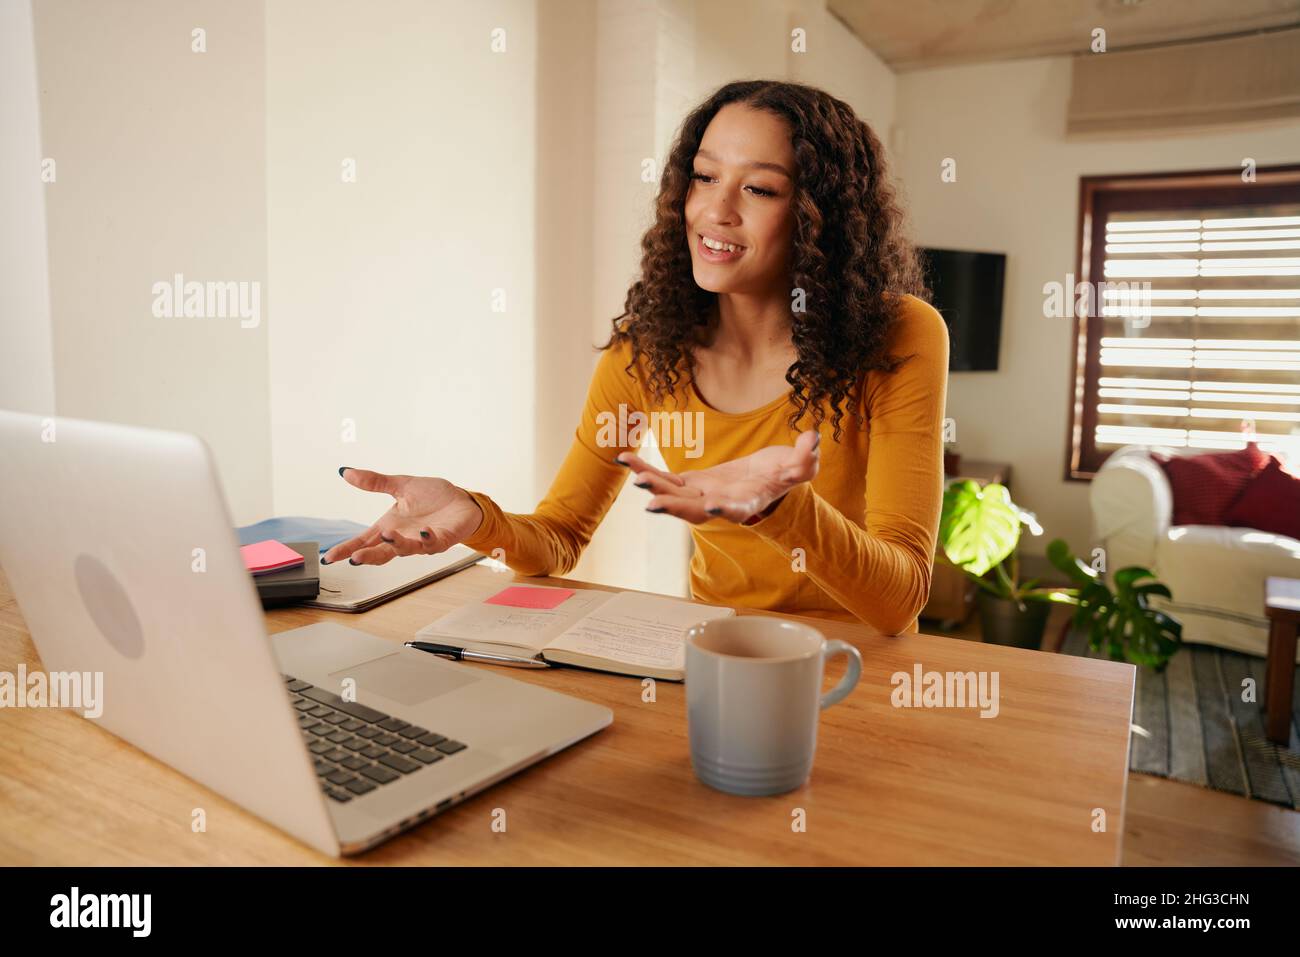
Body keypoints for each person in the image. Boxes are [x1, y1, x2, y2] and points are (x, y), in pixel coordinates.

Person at [322, 79, 949, 635]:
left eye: (759, 188)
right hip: (716, 654)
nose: (715, 210)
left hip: (857, 668)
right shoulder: (648, 348)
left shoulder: (899, 335)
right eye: (704, 176)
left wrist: (783, 511)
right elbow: (559, 538)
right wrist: (478, 518)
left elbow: (900, 601)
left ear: (823, 219)